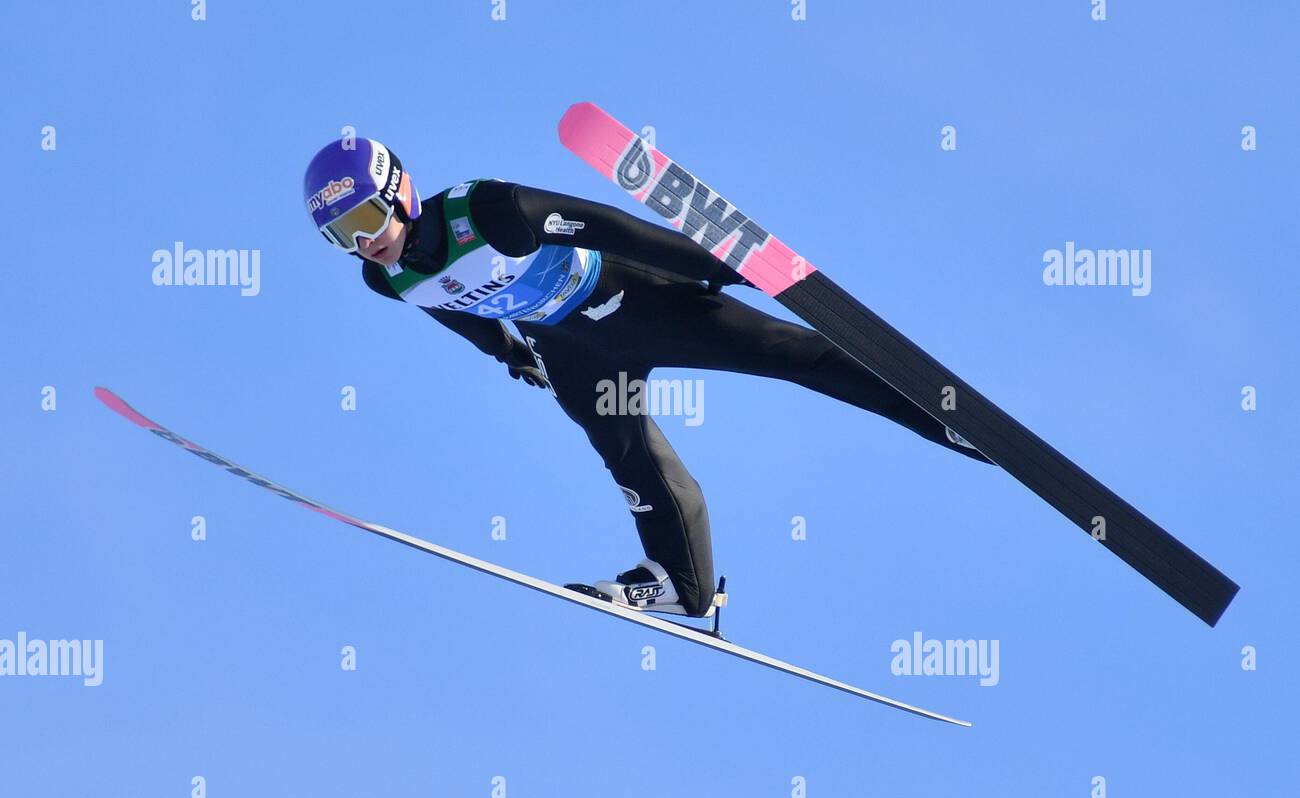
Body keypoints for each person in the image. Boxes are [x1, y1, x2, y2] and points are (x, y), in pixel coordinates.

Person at [303, 137, 990, 618]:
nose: (364, 241)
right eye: (342, 235)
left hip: (633, 299)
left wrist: (718, 263)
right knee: (631, 459)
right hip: (571, 350)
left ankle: (944, 419)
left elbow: (614, 228)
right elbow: (450, 307)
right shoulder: (384, 280)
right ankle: (679, 585)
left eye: (364, 218)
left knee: (793, 356)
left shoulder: (485, 211)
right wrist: (505, 351)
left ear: (400, 192)